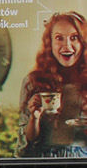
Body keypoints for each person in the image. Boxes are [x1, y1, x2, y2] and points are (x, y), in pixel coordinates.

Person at [20, 11, 87, 158]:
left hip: (81, 161)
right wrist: (34, 117)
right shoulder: (33, 81)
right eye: (59, 38)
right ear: (50, 43)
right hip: (44, 161)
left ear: (83, 43)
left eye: (74, 38)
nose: (67, 45)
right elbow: (29, 140)